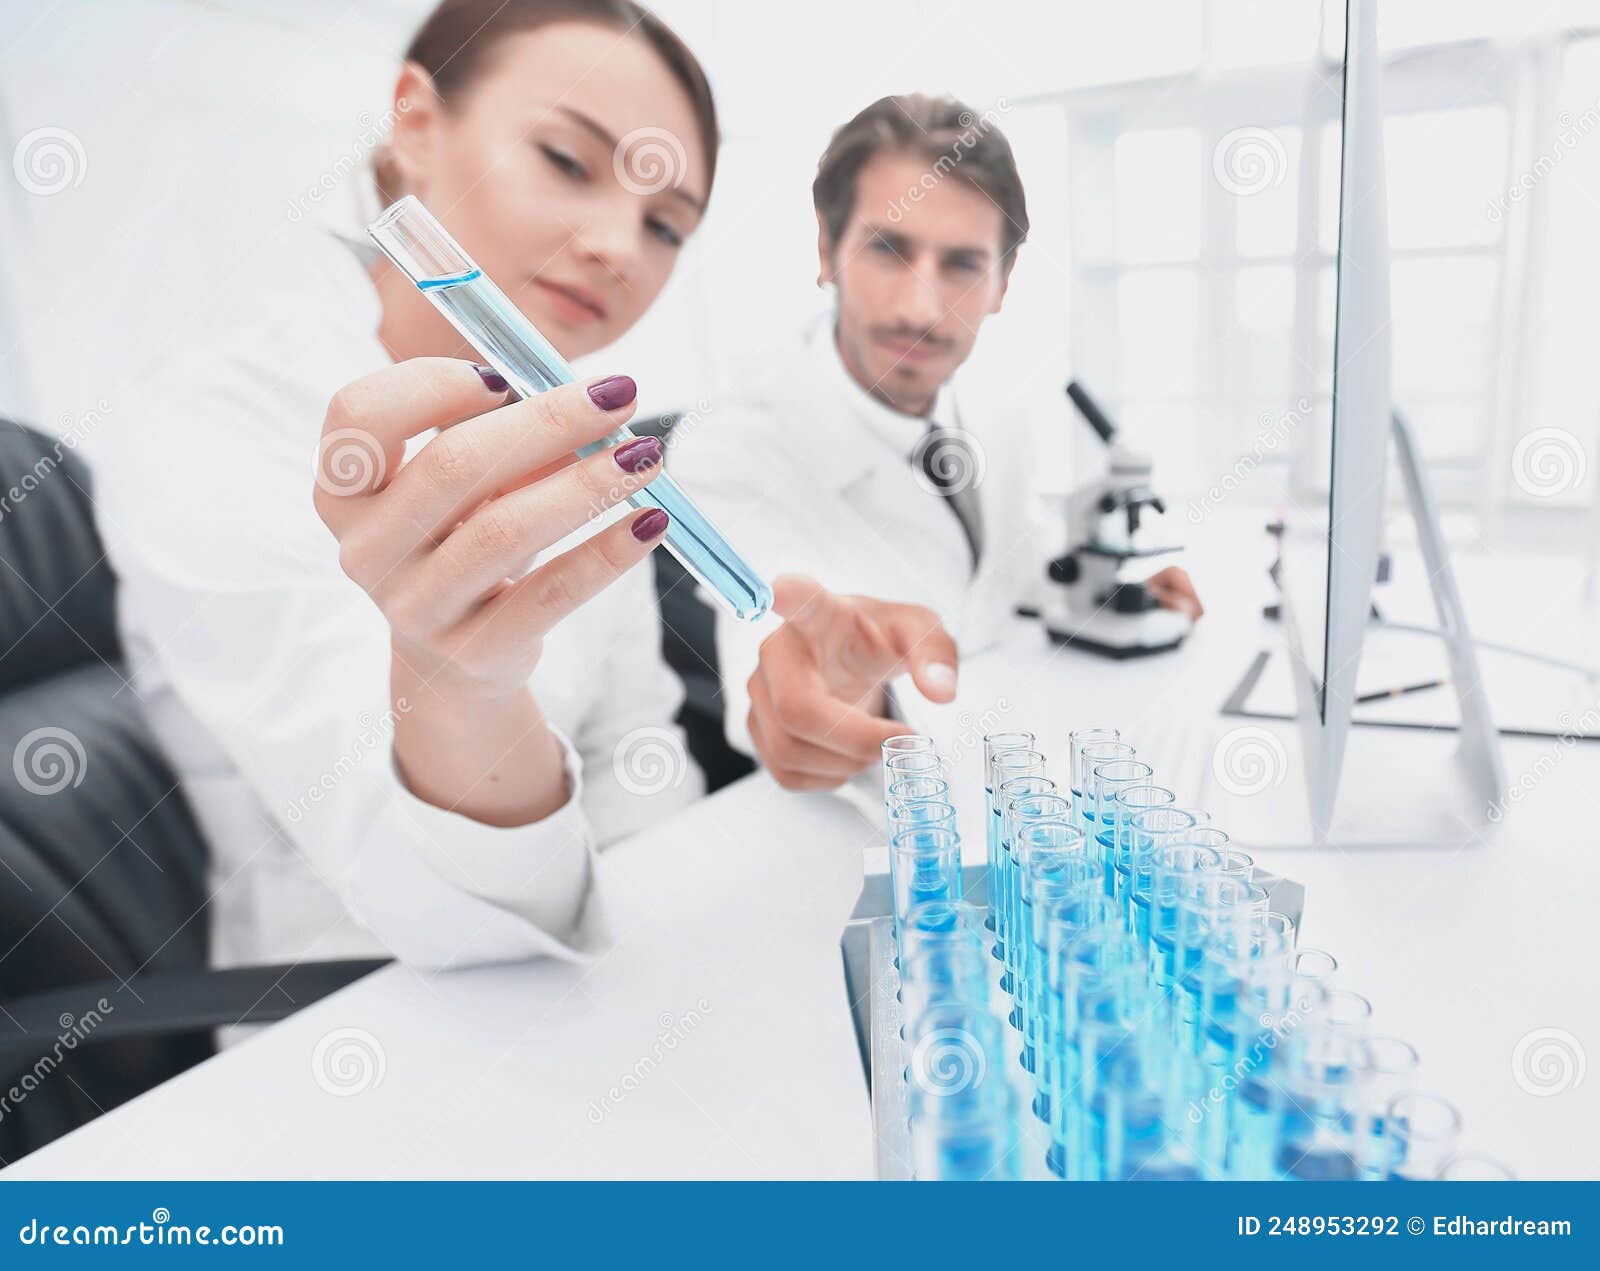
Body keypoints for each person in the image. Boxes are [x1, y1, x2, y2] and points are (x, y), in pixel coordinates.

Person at [89, 0, 724, 973]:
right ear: (418, 128)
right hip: (352, 1018)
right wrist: (462, 687)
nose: (617, 245)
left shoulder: (578, 437)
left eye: (665, 223)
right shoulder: (210, 419)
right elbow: (417, 888)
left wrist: (677, 955)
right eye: (566, 160)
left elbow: (634, 744)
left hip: (600, 993)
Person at [669, 94, 1203, 792]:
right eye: (888, 250)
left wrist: (1106, 585)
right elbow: (770, 655)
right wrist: (824, 704)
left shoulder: (998, 414)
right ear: (827, 253)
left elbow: (1003, 564)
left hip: (1014, 761)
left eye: (961, 265)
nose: (921, 308)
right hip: (868, 805)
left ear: (1003, 285)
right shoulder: (729, 446)